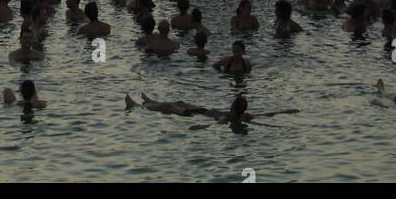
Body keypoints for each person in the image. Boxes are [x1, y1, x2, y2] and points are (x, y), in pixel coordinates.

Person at [125, 92, 297, 127]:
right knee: (179, 101)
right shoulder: (246, 115)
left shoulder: (228, 119)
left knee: (170, 106)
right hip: (202, 110)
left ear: (232, 106)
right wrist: (286, 112)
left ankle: (139, 106)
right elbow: (266, 115)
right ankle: (151, 101)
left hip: (195, 115)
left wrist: (198, 127)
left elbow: (212, 126)